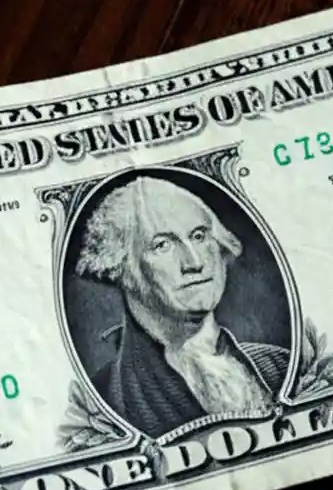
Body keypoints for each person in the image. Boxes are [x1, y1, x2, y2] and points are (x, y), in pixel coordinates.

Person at [75, 174, 288, 438]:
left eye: (199, 236)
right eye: (162, 245)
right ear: (119, 268)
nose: (195, 262)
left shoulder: (279, 365)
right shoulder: (102, 406)